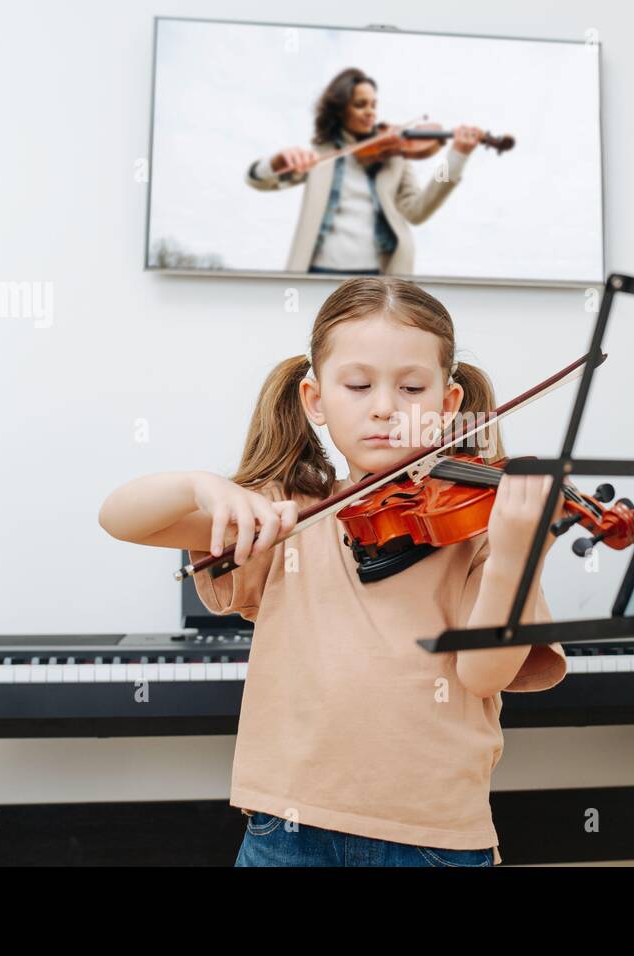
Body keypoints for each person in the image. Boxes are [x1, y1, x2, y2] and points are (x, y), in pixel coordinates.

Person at [98, 276, 567, 866]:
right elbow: (120, 518)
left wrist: (518, 559)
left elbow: (483, 673)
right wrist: (202, 486)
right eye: (359, 385)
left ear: (449, 406)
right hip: (288, 833)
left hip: (434, 841)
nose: (385, 407)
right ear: (316, 400)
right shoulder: (285, 513)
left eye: (412, 387)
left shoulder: (481, 527)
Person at [246, 67, 482, 276]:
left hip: (377, 280)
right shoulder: (320, 154)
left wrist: (454, 159)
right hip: (317, 273)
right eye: (360, 104)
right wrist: (275, 163)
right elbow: (259, 181)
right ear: (340, 110)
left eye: (373, 105)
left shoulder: (395, 155)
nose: (370, 112)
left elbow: (417, 211)